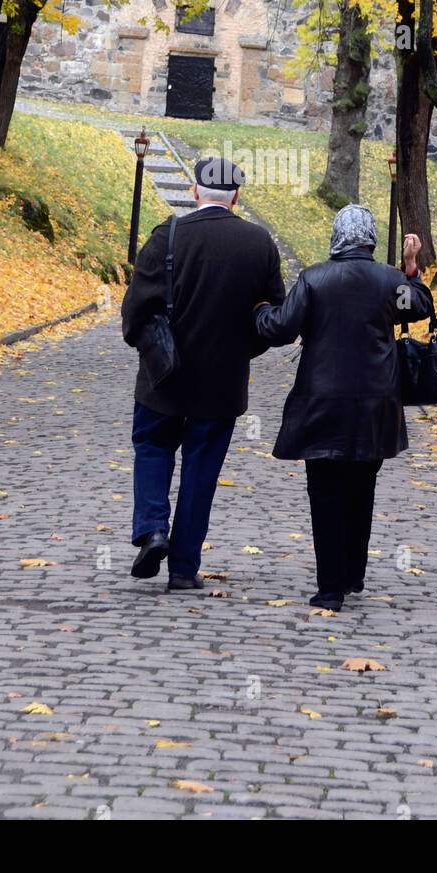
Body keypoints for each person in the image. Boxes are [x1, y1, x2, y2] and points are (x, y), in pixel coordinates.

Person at [253, 204, 433, 611]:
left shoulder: (314, 279)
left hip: (322, 403)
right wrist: (409, 266)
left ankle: (330, 588)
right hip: (375, 405)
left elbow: (280, 328)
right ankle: (353, 573)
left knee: (325, 493)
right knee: (361, 488)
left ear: (337, 236)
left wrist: (259, 310)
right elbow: (420, 305)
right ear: (369, 238)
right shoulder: (389, 280)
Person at [121, 156, 285, 590]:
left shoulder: (166, 235)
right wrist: (243, 351)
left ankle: (154, 528)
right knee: (202, 470)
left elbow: (136, 311)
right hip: (222, 382)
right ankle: (182, 569)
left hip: (164, 378)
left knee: (152, 446)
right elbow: (272, 317)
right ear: (236, 197)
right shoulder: (260, 244)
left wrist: (148, 346)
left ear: (195, 191)